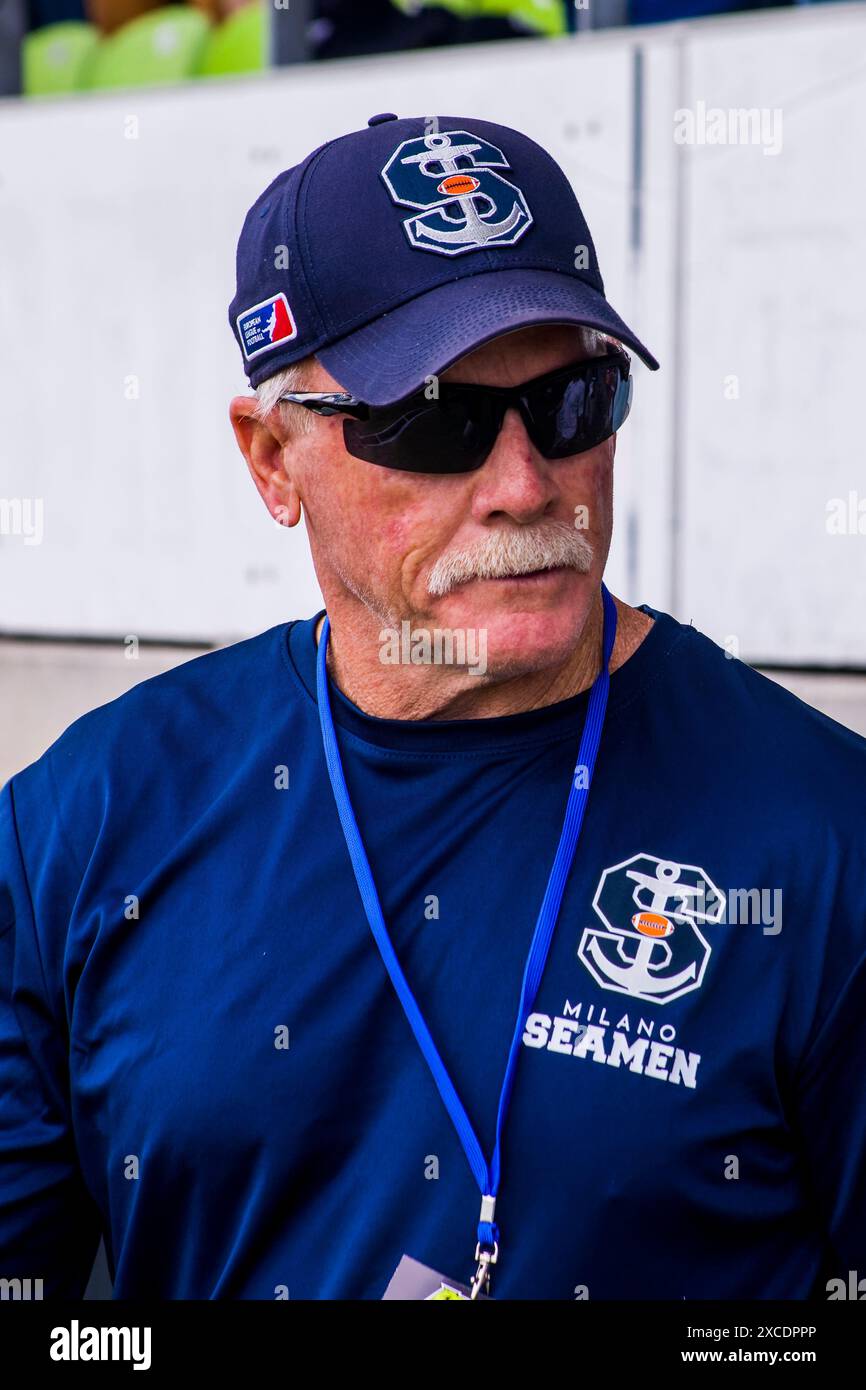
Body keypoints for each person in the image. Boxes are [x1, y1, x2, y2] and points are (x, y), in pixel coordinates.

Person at [1, 113, 863, 1300]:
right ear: (270, 460)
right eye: (434, 418)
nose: (524, 487)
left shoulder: (822, 836)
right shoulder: (87, 819)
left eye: (571, 403)